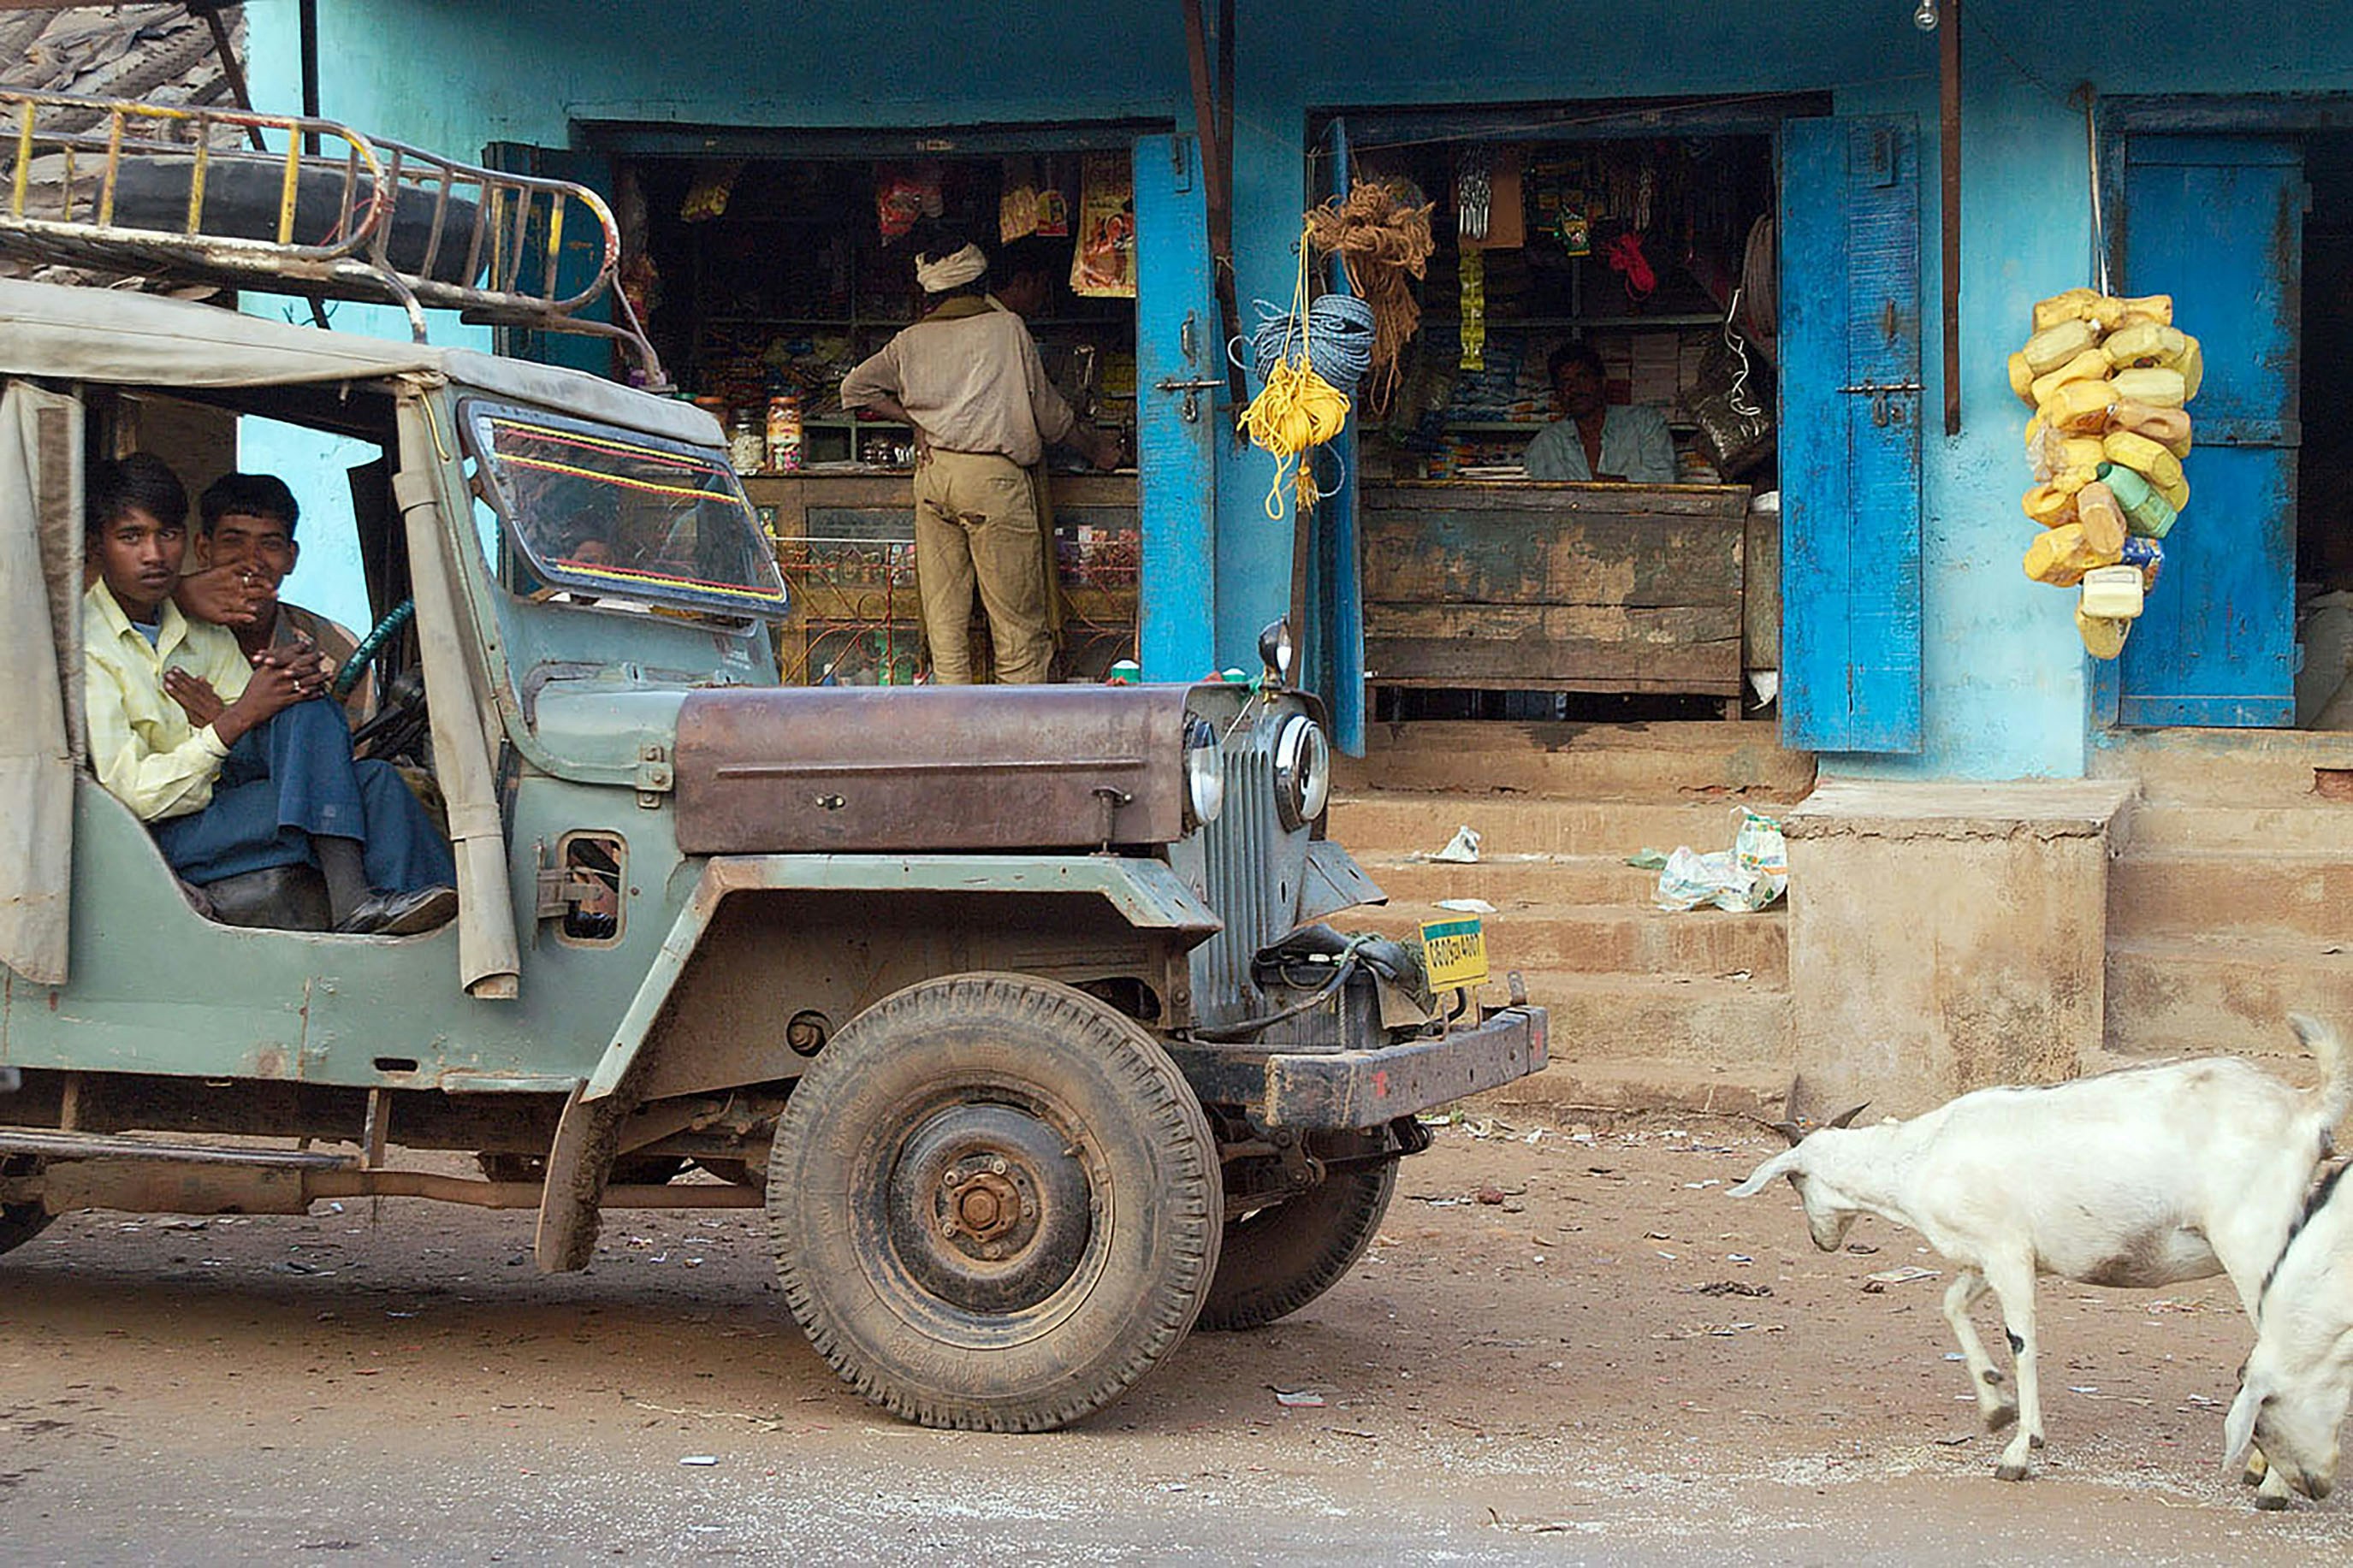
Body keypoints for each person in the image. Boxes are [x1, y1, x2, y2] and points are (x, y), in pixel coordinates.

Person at [83, 453, 457, 936]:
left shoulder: (199, 627)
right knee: (346, 785)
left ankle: (450, 938)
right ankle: (357, 905)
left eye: (166, 535)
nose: (154, 555)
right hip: (159, 835)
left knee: (372, 775)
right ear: (98, 547)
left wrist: (263, 698)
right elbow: (134, 794)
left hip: (232, 801)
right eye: (131, 537)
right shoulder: (85, 647)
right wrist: (231, 722)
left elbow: (266, 731)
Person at [839, 233, 1122, 683]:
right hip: (993, 482)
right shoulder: (1006, 328)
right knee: (1018, 633)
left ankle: (954, 738)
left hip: (935, 478)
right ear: (979, 284)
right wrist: (1099, 450)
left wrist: (915, 422)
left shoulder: (910, 340)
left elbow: (854, 391)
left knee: (946, 630)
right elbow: (1049, 418)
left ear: (931, 294)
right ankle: (1013, 739)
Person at [187, 471, 373, 725]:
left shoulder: (332, 648)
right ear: (203, 550)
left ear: (291, 557)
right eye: (233, 541)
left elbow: (354, 755)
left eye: (270, 544)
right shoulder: (165, 635)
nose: (252, 561)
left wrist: (228, 727)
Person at [1522, 341, 1677, 484]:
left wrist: (1595, 488)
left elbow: (1664, 480)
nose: (1574, 389)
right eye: (1565, 383)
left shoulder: (1645, 424)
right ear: (1558, 393)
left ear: (1602, 381)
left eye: (1582, 378)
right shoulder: (1545, 444)